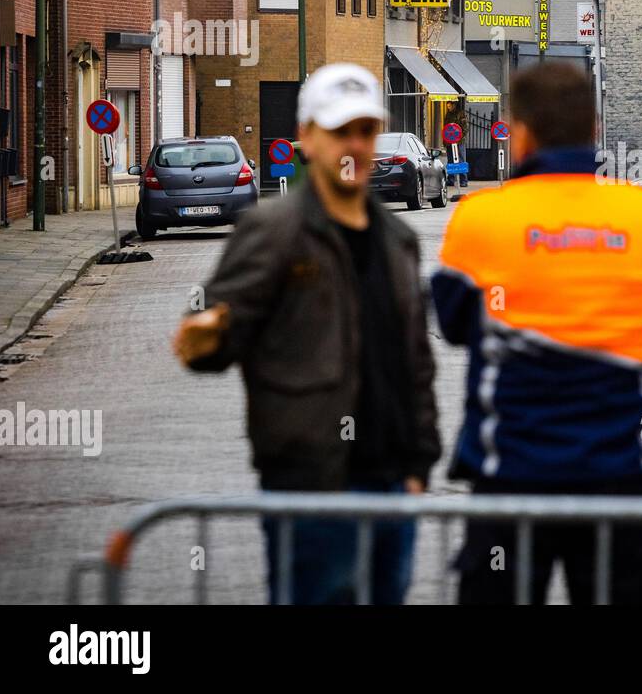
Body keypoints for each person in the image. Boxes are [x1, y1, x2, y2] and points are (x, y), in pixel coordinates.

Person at [172, 63, 441, 604]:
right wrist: (208, 335)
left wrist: (419, 465)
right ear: (307, 139)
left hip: (392, 485)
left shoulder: (398, 239)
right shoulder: (273, 231)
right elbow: (213, 341)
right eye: (340, 131)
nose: (356, 145)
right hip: (311, 486)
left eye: (365, 131)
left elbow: (415, 362)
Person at [431, 62, 642, 605]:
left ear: (518, 133)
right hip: (619, 477)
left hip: (510, 476)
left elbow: (452, 324)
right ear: (594, 128)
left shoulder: (480, 217)